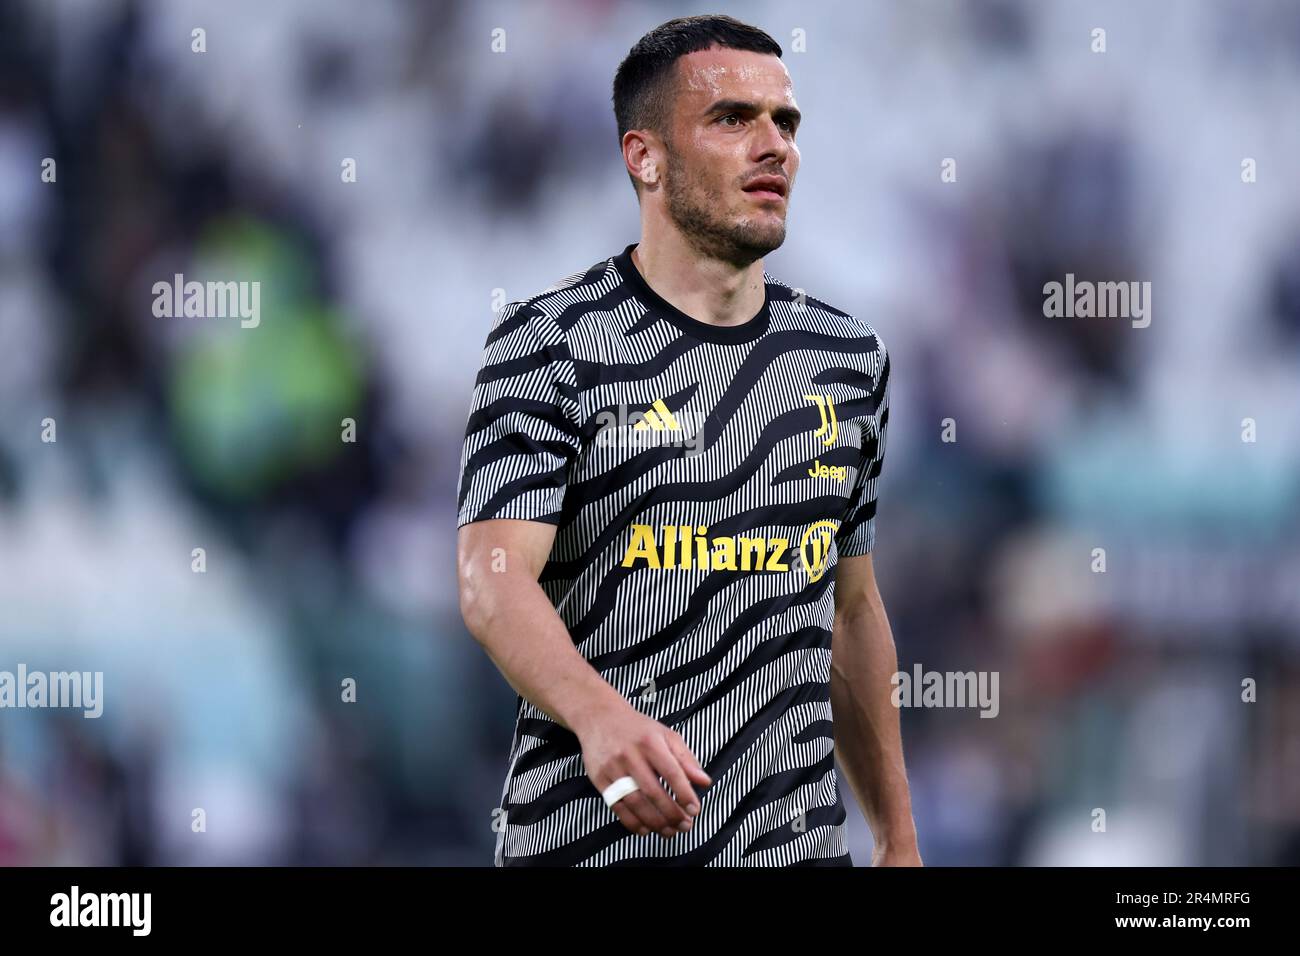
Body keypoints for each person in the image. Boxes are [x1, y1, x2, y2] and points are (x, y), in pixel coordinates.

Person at [456, 14, 919, 866]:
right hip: (593, 846)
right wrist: (600, 717)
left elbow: (852, 610)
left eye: (786, 122)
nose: (774, 145)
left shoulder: (849, 361)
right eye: (733, 119)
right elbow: (491, 581)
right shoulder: (551, 343)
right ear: (646, 157)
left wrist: (896, 835)